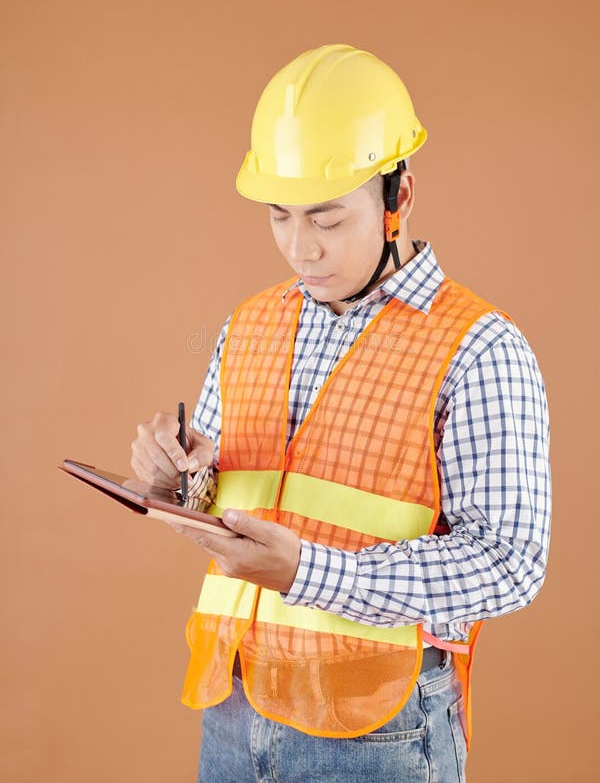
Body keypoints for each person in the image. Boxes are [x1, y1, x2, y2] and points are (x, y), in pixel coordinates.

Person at [130, 44, 551, 782]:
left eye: (327, 218)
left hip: (377, 732)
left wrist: (308, 572)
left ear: (400, 198)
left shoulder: (478, 348)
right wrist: (181, 480)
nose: (301, 248)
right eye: (280, 217)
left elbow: (509, 562)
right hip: (232, 714)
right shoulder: (250, 323)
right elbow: (227, 506)